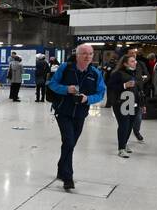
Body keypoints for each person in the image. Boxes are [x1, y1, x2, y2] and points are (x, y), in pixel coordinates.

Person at [48, 43, 106, 191]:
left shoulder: (95, 73)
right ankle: (68, 177)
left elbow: (100, 93)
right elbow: (52, 84)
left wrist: (88, 99)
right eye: (84, 53)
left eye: (90, 54)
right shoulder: (66, 68)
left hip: (80, 113)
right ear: (77, 55)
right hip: (63, 111)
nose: (87, 56)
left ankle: (61, 167)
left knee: (70, 143)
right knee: (68, 140)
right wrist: (66, 89)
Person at [107, 52, 142, 158]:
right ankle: (121, 149)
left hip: (132, 102)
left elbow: (138, 90)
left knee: (130, 124)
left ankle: (124, 144)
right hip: (121, 103)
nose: (135, 63)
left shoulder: (134, 73)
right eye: (132, 61)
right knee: (124, 124)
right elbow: (110, 86)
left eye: (135, 61)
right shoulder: (118, 73)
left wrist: (142, 103)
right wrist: (124, 85)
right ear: (125, 64)